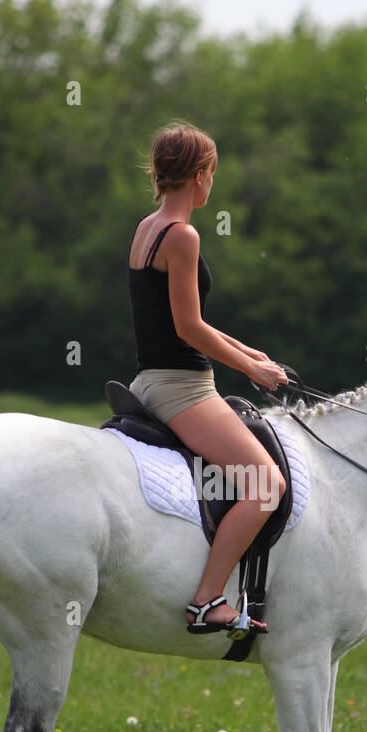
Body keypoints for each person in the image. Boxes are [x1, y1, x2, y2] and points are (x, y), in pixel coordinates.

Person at [127, 121, 288, 636]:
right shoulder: (185, 235)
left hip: (149, 380)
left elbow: (183, 318)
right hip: (183, 388)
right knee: (267, 485)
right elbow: (188, 327)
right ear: (200, 175)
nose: (211, 184)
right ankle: (207, 600)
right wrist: (250, 369)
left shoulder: (146, 228)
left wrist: (247, 350)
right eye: (211, 174)